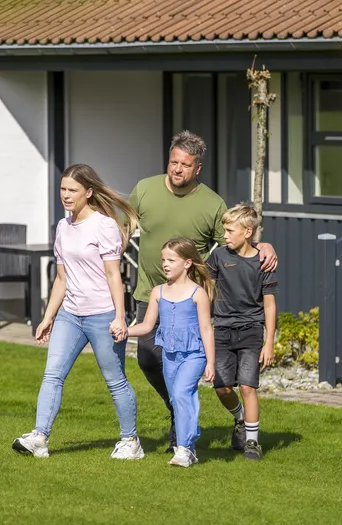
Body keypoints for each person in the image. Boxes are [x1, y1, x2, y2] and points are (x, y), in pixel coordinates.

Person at [128, 130, 278, 452]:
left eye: (185, 165)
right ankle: (177, 411)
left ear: (198, 168)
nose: (177, 169)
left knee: (182, 361)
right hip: (149, 294)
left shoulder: (211, 203)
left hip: (187, 300)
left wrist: (263, 244)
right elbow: (122, 226)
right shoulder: (143, 190)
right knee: (148, 359)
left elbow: (235, 239)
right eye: (173, 162)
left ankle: (182, 427)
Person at [12, 164, 143, 460]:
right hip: (70, 315)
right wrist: (48, 317)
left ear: (89, 192)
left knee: (115, 380)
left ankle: (130, 441)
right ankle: (40, 438)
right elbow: (62, 278)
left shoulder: (104, 225)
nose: (66, 195)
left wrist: (120, 317)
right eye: (63, 189)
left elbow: (114, 276)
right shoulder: (62, 227)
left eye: (72, 190)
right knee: (52, 375)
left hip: (102, 316)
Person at [128, 238, 215, 467]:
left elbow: (206, 329)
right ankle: (189, 446)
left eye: (171, 260)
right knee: (178, 400)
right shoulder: (157, 292)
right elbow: (147, 326)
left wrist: (211, 363)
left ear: (187, 263)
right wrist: (124, 331)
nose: (165, 264)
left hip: (194, 355)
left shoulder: (198, 294)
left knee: (181, 393)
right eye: (163, 260)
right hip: (170, 356)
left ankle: (184, 448)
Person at [207, 203, 278, 461]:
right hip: (222, 330)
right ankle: (239, 417)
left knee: (248, 386)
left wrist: (269, 342)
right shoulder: (218, 257)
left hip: (251, 330)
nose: (224, 236)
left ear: (247, 232)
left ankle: (252, 443)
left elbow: (269, 304)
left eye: (229, 231)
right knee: (222, 388)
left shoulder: (264, 262)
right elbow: (207, 291)